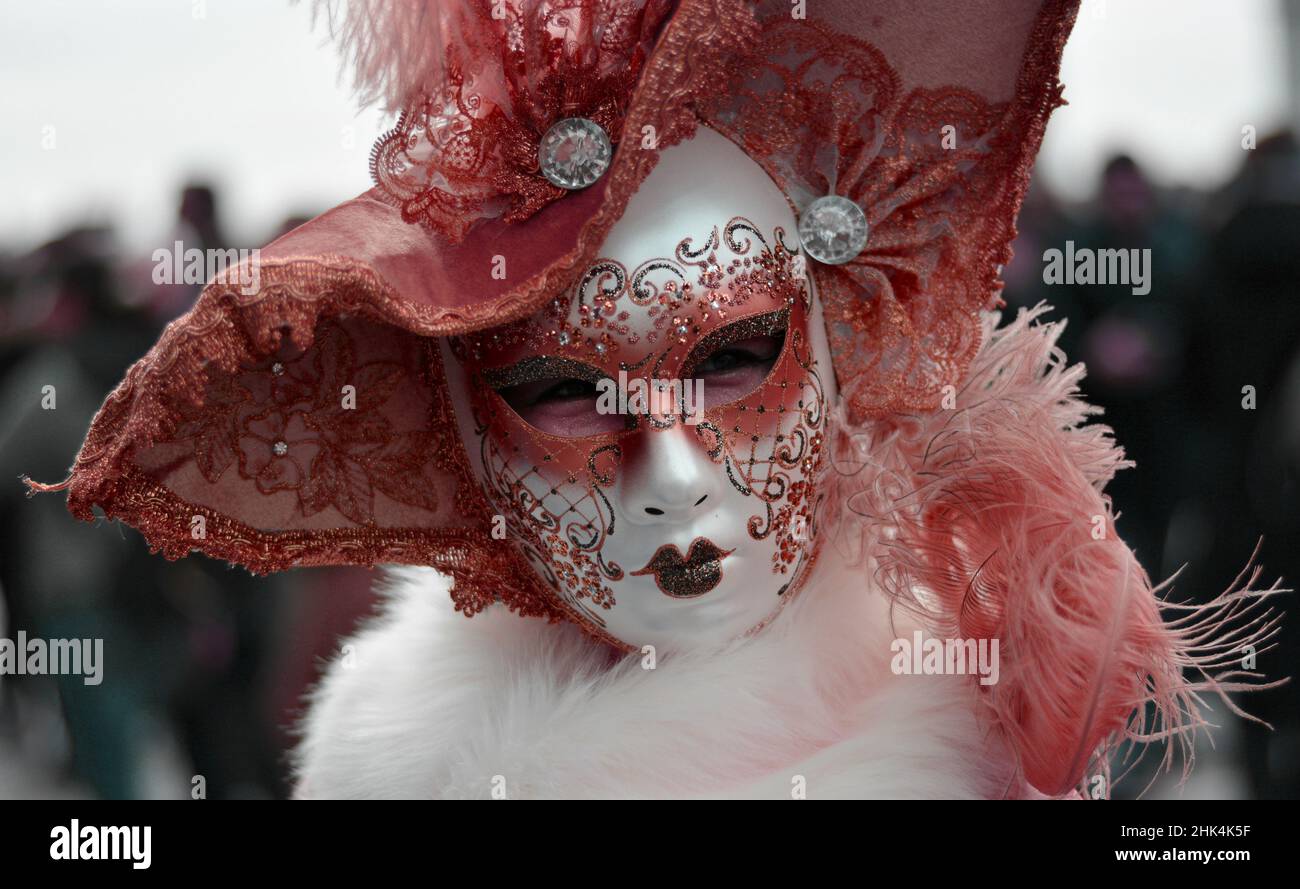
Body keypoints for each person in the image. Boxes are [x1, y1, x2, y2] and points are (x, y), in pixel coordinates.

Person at [34, 0, 1283, 798]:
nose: (675, 476)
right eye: (566, 395)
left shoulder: (966, 723)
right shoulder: (382, 759)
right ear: (463, 438)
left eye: (734, 359)